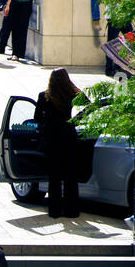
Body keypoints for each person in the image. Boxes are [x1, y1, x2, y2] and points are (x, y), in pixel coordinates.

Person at [35, 67, 80, 218]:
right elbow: (86, 110)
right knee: (70, 176)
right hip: (69, 137)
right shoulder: (74, 95)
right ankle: (71, 210)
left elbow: (37, 119)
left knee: (54, 176)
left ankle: (54, 210)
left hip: (52, 138)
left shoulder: (44, 96)